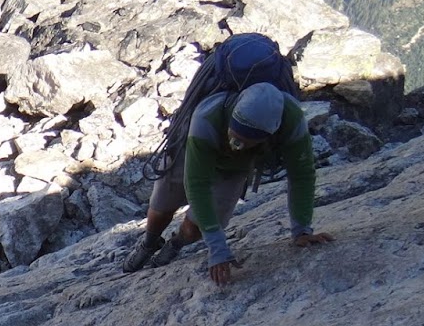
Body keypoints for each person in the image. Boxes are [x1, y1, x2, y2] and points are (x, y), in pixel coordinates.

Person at [122, 82, 333, 284]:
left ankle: (176, 243)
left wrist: (302, 231)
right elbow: (197, 184)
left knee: (197, 227)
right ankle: (149, 242)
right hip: (190, 152)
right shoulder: (207, 116)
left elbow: (301, 174)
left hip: (235, 168)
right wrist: (217, 248)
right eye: (233, 136)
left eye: (242, 142)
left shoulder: (292, 121)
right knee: (161, 207)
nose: (235, 144)